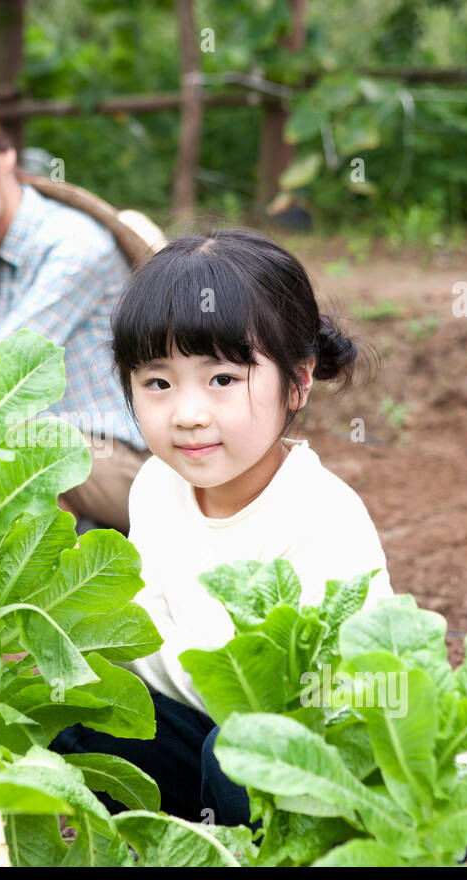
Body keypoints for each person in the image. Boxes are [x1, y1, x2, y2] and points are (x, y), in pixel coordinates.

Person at [49, 230, 395, 829]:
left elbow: (270, 701)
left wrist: (106, 631)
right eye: (158, 383)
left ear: (298, 381)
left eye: (223, 380)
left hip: (351, 773)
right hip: (222, 724)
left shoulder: (321, 516)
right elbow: (151, 631)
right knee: (82, 716)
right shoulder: (156, 484)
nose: (187, 414)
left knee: (241, 754)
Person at [0, 90, 149, 535]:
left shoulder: (73, 246)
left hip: (128, 461)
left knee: (4, 451)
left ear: (3, 155)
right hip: (52, 445)